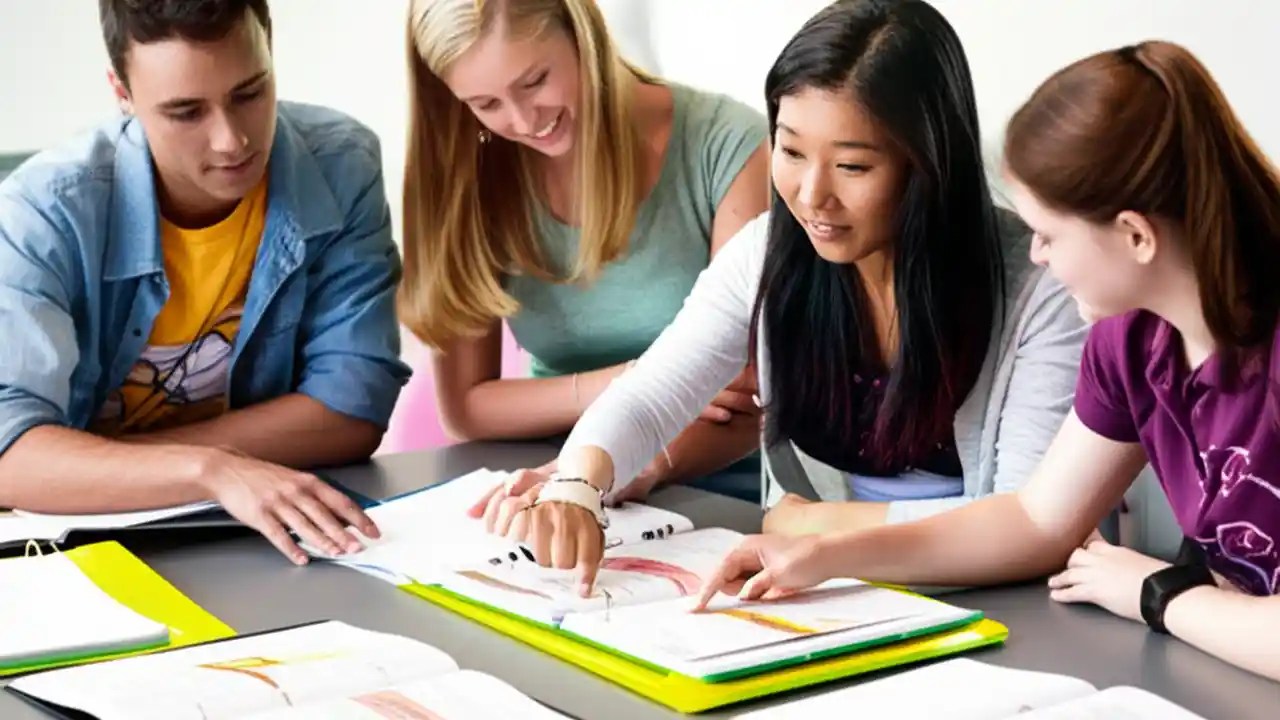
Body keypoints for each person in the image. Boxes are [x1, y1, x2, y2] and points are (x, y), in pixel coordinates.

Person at [695, 40, 1280, 683]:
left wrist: (1161, 593)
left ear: (1136, 235)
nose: (1036, 258)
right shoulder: (1129, 343)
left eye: (1050, 235)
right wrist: (821, 556)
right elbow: (1035, 520)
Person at [472, 0, 1086, 591]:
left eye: (852, 167)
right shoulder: (769, 249)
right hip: (825, 586)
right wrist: (577, 486)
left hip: (998, 601)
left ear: (927, 163)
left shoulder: (1039, 286)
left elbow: (1023, 521)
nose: (811, 195)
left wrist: (819, 526)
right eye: (790, 151)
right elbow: (653, 392)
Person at [0, 0, 409, 564]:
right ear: (122, 92)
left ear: (269, 43)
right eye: (186, 112)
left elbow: (351, 408)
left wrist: (97, 463)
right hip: (74, 552)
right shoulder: (41, 213)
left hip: (260, 538)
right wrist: (211, 470)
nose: (231, 141)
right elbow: (11, 455)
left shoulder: (340, 162)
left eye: (249, 93)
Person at [399, 0, 771, 501]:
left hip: (709, 483)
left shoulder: (726, 142)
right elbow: (466, 408)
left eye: (534, 81)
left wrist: (622, 466)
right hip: (552, 473)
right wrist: (634, 384)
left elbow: (746, 389)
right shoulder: (469, 172)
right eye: (485, 104)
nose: (524, 121)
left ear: (581, 35)